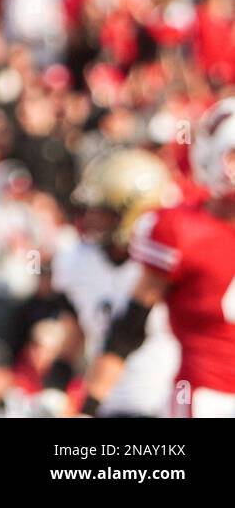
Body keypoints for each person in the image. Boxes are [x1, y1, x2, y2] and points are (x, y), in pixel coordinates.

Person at [83, 99, 235, 417]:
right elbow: (130, 327)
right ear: (212, 157)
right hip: (210, 399)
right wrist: (90, 405)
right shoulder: (181, 230)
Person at [47, 148, 180, 416]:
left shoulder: (165, 264)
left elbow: (126, 336)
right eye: (91, 210)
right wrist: (54, 390)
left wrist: (88, 405)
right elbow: (73, 336)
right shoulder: (75, 260)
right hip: (109, 408)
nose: (91, 219)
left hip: (166, 407)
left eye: (103, 212)